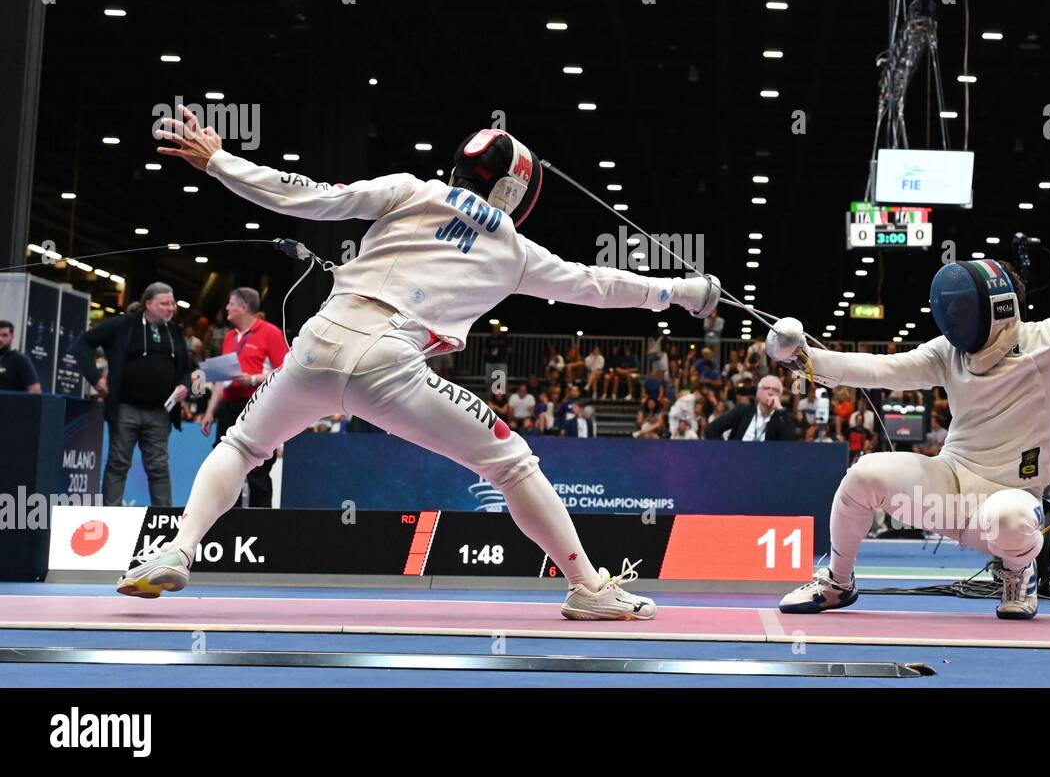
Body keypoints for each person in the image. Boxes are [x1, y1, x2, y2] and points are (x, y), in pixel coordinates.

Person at [120, 115, 720, 621]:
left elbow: (311, 195)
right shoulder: (513, 248)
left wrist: (222, 161)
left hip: (318, 342)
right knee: (511, 462)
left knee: (245, 445)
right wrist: (684, 292)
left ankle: (178, 547)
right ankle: (588, 588)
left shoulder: (412, 189)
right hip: (388, 364)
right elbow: (598, 285)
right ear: (514, 191)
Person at [769, 186, 1050, 620]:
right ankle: (838, 580)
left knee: (1012, 521)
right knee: (865, 474)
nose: (955, 320)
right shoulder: (950, 352)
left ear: (1000, 309)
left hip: (1012, 498)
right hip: (948, 493)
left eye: (964, 310)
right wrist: (807, 360)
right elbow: (881, 370)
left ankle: (1018, 572)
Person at [73, 283, 191, 505]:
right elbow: (83, 343)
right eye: (164, 304)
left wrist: (185, 385)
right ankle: (111, 516)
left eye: (172, 304)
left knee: (159, 467)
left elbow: (185, 368)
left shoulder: (175, 331)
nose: (170, 308)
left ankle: (164, 519)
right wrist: (95, 377)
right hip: (126, 407)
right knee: (118, 463)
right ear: (148, 304)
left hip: (160, 411)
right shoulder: (123, 325)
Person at [199, 288, 289, 508]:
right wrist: (210, 411)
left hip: (257, 406)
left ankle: (261, 525)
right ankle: (230, 521)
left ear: (243, 307)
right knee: (227, 466)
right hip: (228, 408)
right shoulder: (229, 337)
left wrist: (253, 379)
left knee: (257, 471)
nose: (227, 308)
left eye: (230, 304)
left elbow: (287, 371)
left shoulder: (271, 333)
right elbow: (221, 378)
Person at [704, 374, 797, 441]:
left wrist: (780, 409)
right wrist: (725, 451)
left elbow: (790, 444)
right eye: (766, 388)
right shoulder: (742, 411)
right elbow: (711, 429)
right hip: (737, 462)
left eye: (775, 390)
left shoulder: (782, 418)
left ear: (780, 396)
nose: (770, 392)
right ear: (758, 394)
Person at [0, 320, 41, 393]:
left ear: (12, 336)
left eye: (5, 335)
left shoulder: (19, 359)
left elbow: (35, 391)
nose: (0, 339)